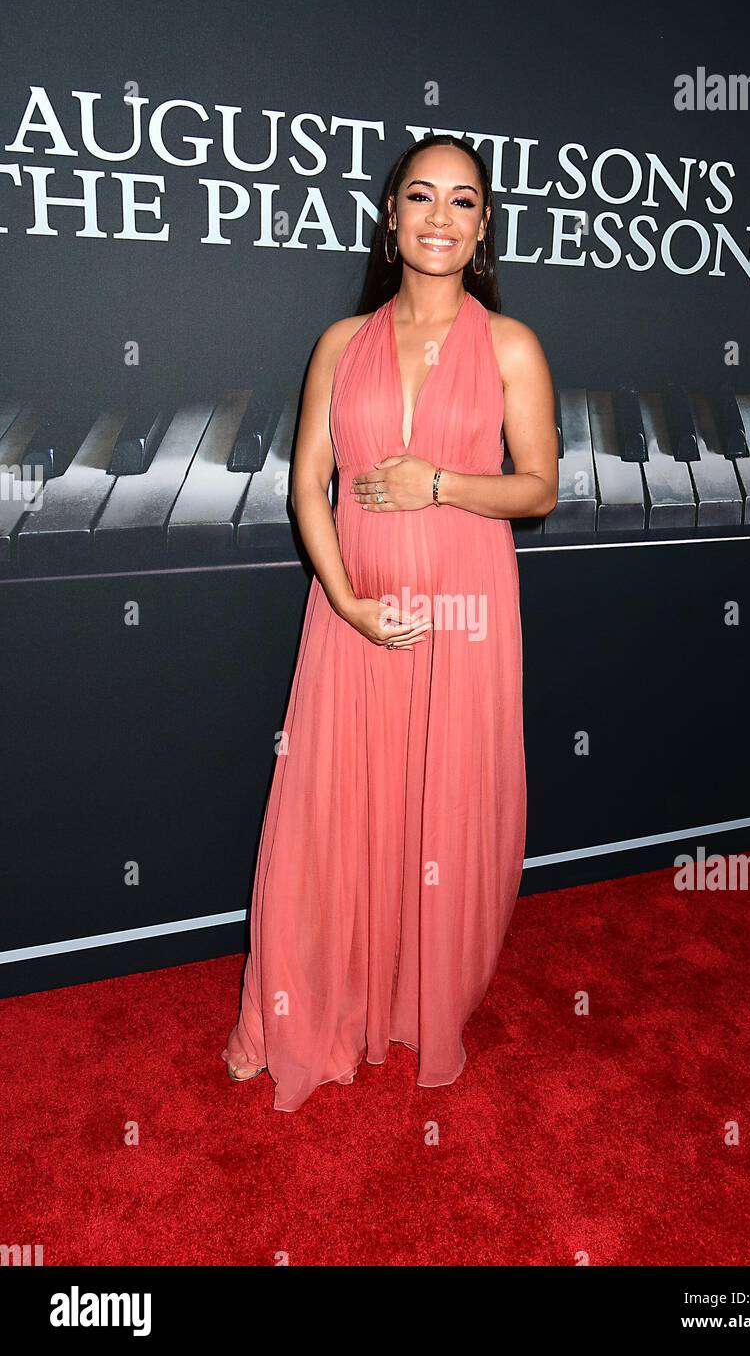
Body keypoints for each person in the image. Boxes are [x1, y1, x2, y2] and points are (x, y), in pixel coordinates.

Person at [221, 134, 558, 1112]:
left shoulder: (509, 346)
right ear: (391, 216)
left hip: (467, 618)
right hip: (350, 616)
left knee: (442, 804)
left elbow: (536, 487)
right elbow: (305, 490)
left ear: (484, 225)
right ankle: (299, 1007)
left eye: (462, 202)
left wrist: (438, 481)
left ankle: (419, 1001)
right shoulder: (339, 342)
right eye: (421, 197)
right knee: (324, 816)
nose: (440, 219)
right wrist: (342, 599)